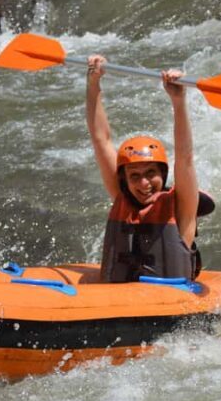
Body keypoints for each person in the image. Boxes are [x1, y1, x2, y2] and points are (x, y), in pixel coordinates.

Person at [86, 54, 212, 283]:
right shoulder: (123, 197)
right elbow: (100, 139)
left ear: (162, 174)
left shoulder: (182, 207)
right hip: (114, 300)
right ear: (125, 179)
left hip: (170, 302)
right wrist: (93, 82)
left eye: (151, 173)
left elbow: (185, 158)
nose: (144, 183)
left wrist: (178, 101)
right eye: (134, 176)